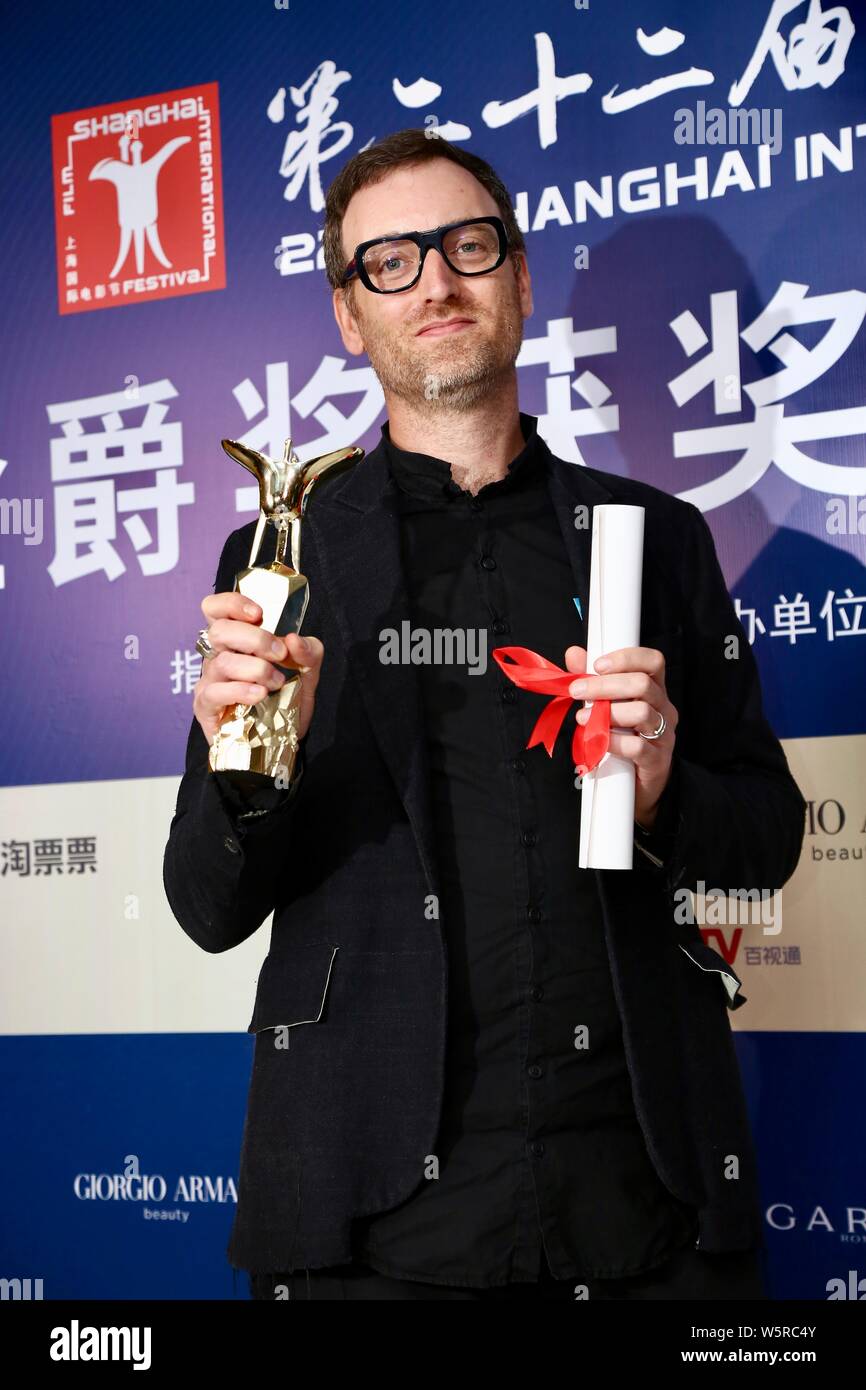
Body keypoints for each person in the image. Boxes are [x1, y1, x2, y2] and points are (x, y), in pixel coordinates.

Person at [163, 129, 806, 1301]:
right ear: (348, 316)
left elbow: (764, 840)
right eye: (388, 263)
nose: (436, 283)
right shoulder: (282, 554)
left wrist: (662, 788)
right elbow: (208, 907)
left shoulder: (655, 540)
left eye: (464, 245)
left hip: (640, 1208)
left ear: (515, 274)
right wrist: (245, 770)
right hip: (363, 1225)